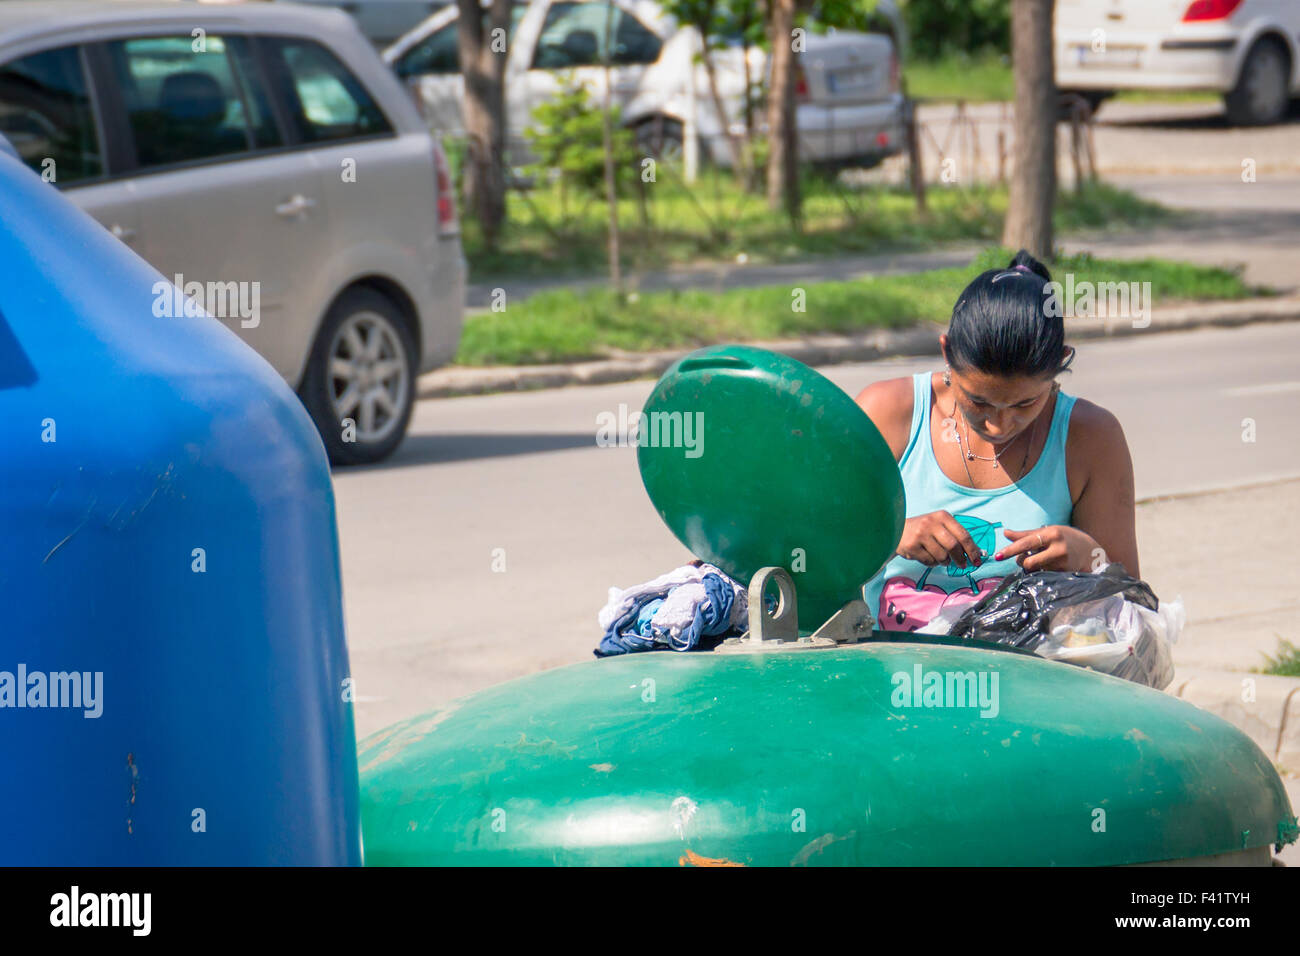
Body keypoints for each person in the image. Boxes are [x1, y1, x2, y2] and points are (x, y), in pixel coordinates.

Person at [857, 250, 1139, 634]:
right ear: (946, 353)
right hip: (893, 674)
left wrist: (1086, 556)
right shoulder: (889, 413)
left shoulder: (1090, 438)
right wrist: (890, 535)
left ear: (1062, 363)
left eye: (1025, 403)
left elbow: (1133, 604)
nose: (998, 424)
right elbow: (808, 548)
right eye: (978, 401)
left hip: (1030, 682)